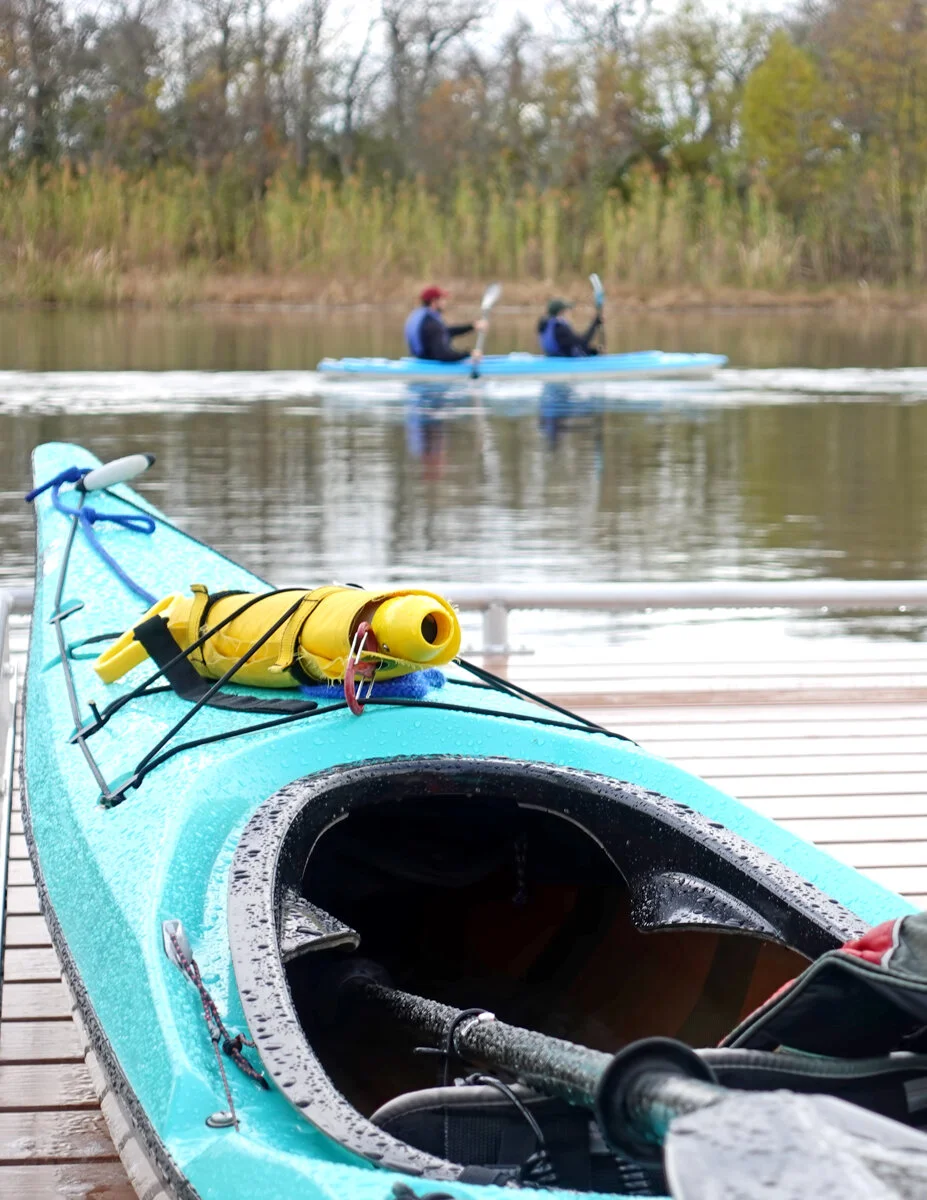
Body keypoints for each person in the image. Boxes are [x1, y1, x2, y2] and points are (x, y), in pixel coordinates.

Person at [405, 287, 487, 363]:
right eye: (442, 300)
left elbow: (446, 331)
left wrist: (472, 326)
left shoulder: (425, 318)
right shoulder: (432, 325)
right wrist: (469, 354)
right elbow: (444, 355)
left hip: (418, 361)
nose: (445, 303)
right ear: (434, 301)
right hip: (431, 366)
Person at [537, 298, 602, 357]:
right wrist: (595, 324)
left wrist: (593, 351)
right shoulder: (560, 328)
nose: (569, 313)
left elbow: (573, 343)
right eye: (567, 311)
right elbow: (584, 341)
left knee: (591, 351)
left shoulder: (544, 324)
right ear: (560, 312)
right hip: (562, 358)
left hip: (551, 356)